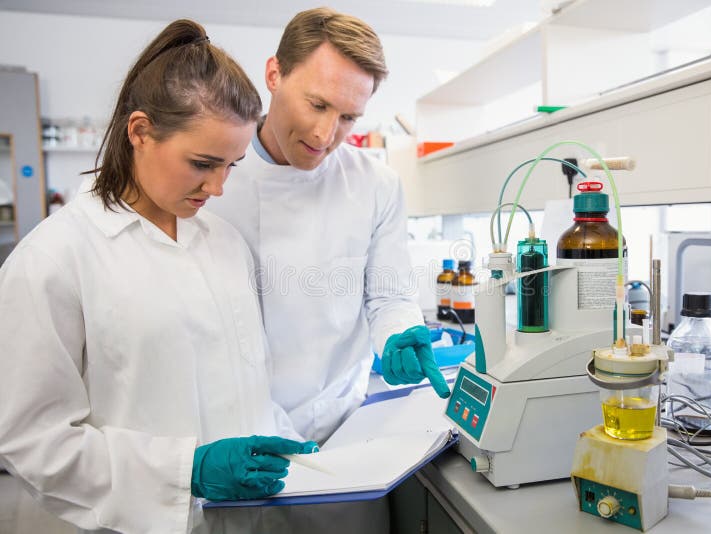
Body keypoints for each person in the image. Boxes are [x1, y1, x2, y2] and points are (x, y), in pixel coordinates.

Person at [0, 20, 316, 534]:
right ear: (140, 132)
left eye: (232, 165)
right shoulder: (54, 259)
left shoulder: (225, 243)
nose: (217, 187)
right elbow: (34, 442)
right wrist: (183, 471)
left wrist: (291, 450)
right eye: (202, 163)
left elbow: (242, 385)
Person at [207, 7, 450, 447]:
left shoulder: (375, 184)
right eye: (317, 104)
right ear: (274, 74)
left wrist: (398, 331)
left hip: (342, 430)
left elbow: (390, 294)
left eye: (348, 117)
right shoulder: (211, 180)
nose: (325, 133)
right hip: (232, 435)